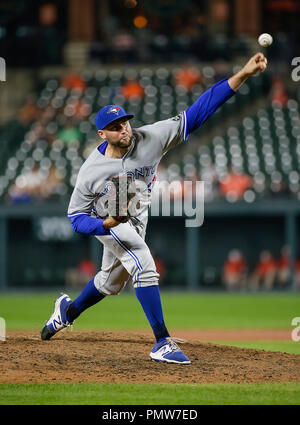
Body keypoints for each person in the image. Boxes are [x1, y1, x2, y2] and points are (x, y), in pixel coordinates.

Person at [41, 53, 268, 364]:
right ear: (102, 134)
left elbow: (200, 110)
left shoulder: (152, 137)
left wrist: (243, 73)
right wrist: (104, 224)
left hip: (137, 214)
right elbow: (76, 218)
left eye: (125, 122)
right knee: (144, 264)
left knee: (109, 283)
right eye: (115, 126)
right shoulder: (91, 170)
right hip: (111, 218)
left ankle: (67, 311)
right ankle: (162, 341)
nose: (124, 129)